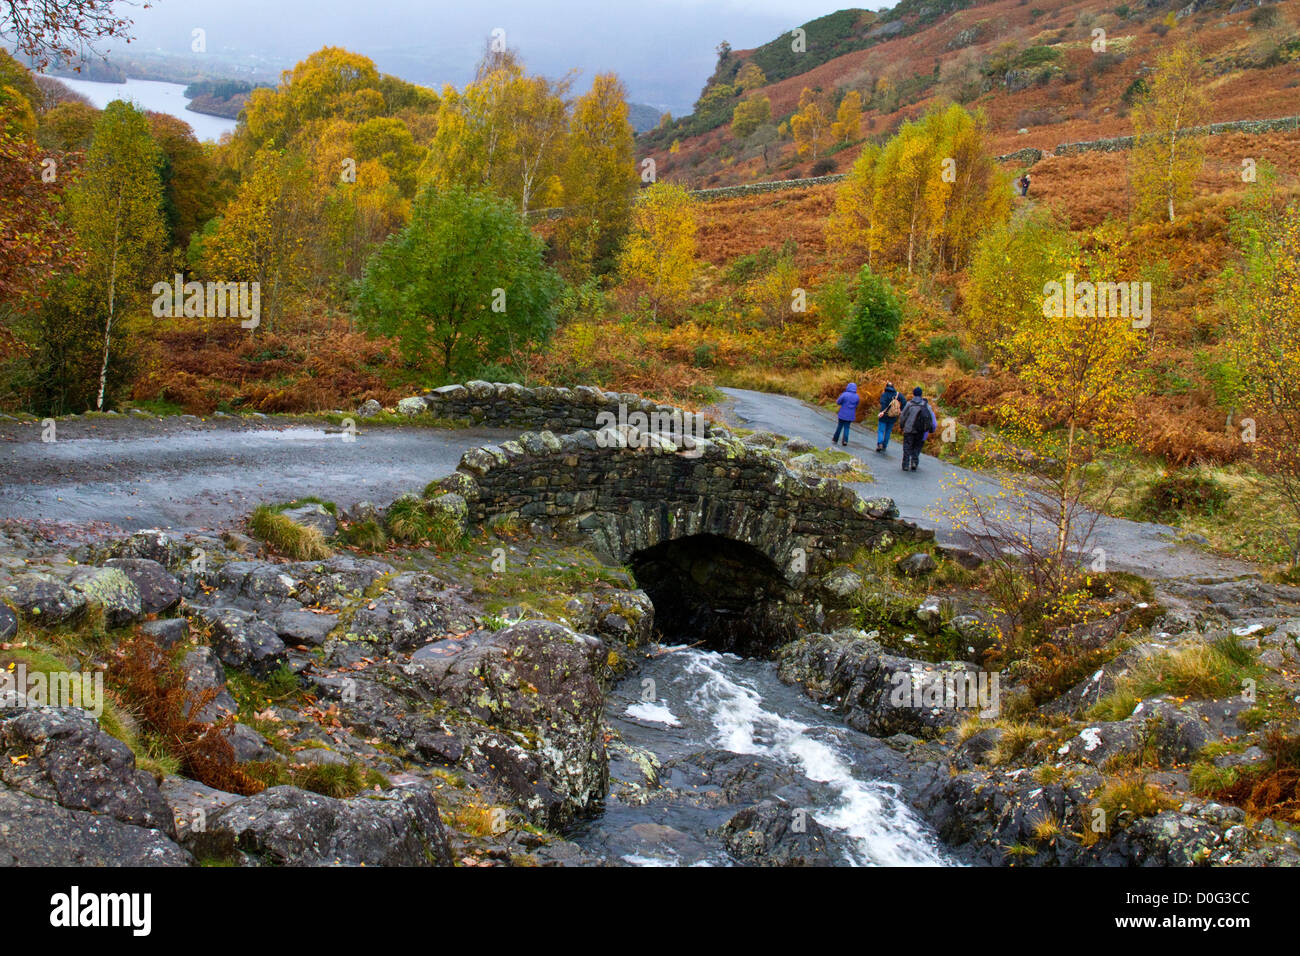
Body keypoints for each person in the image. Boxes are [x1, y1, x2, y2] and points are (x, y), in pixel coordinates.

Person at [898, 386, 937, 471]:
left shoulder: (909, 404)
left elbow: (903, 416)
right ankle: (914, 462)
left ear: (913, 394)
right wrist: (931, 429)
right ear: (921, 394)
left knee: (907, 447)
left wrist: (901, 425)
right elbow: (931, 418)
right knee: (916, 446)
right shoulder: (926, 405)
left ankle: (905, 465)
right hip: (920, 430)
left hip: (909, 429)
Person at [876, 381, 900, 453]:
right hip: (893, 416)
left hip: (884, 415)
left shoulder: (884, 394)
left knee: (881, 430)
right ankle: (884, 445)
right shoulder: (897, 395)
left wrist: (882, 412)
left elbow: (882, 403)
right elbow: (904, 401)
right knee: (888, 431)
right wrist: (899, 410)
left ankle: (880, 443)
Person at [832, 382, 859, 447]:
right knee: (847, 428)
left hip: (842, 414)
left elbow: (838, 402)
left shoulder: (845, 394)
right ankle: (845, 441)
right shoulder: (857, 396)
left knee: (839, 426)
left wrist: (843, 404)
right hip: (850, 415)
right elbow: (857, 405)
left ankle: (835, 439)